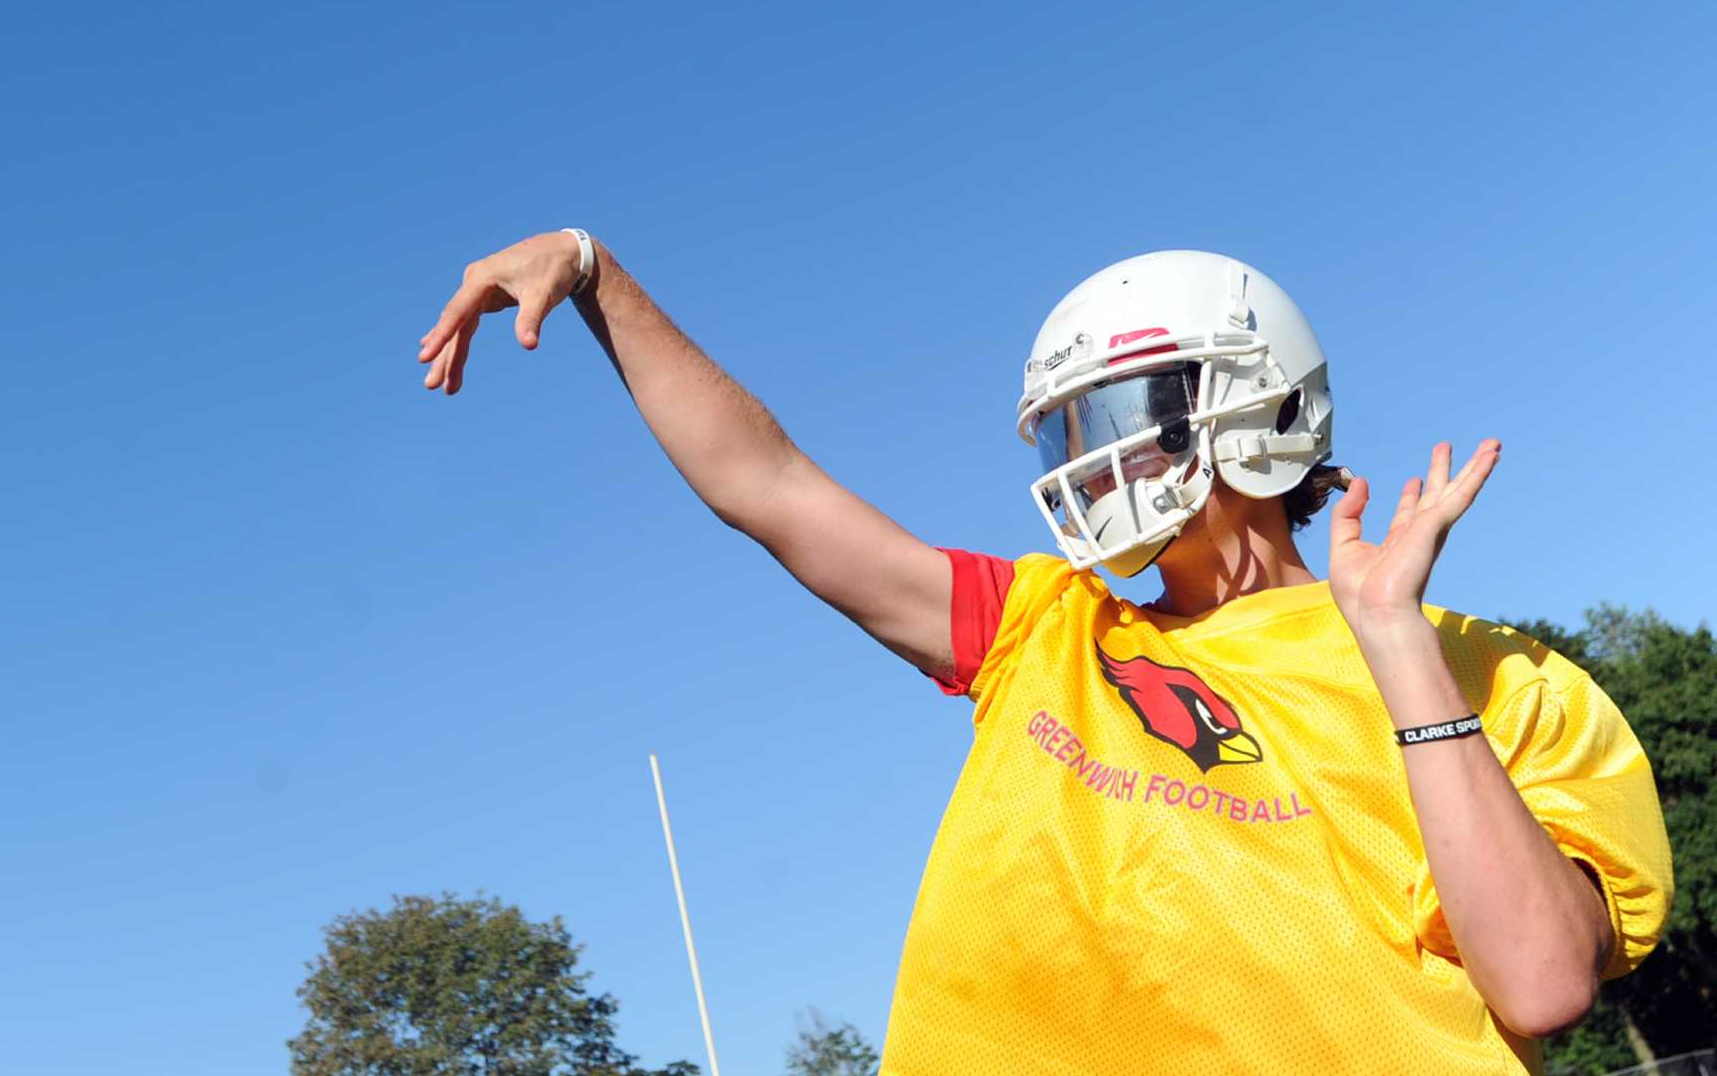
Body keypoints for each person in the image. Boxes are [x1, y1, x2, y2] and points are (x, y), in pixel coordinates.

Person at [418, 231, 1672, 1074]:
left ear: (1257, 404)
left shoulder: (1491, 673)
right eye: (1068, 431)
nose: (1094, 462)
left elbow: (1541, 984)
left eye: (1119, 417)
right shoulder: (1043, 623)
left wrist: (1390, 640)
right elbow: (770, 488)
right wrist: (595, 274)